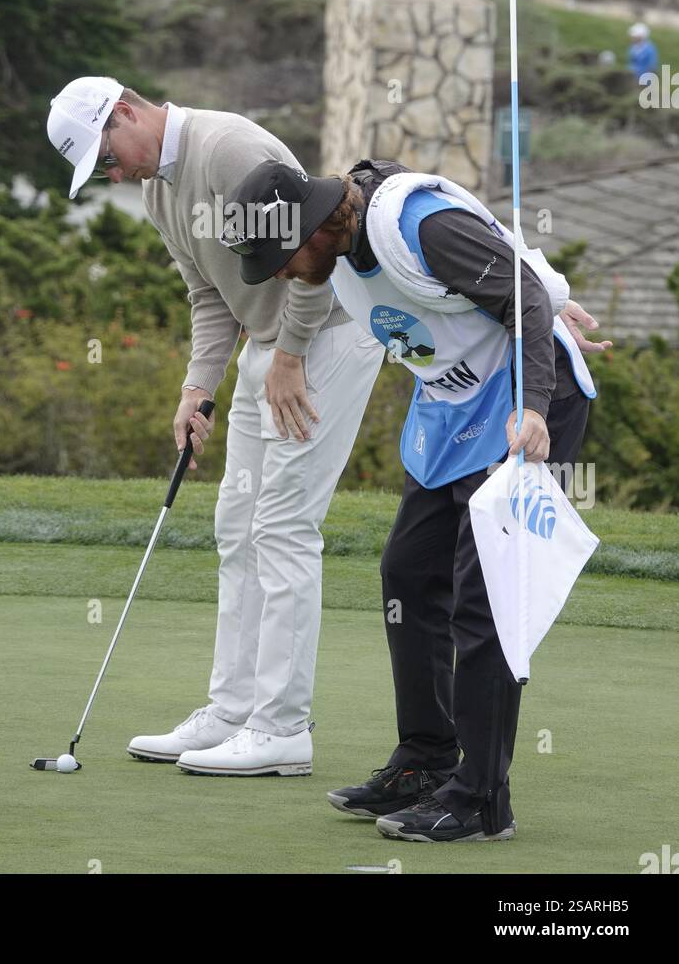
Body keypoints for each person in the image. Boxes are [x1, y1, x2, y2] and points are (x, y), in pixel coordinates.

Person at [222, 156, 611, 841]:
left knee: (484, 593)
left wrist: (537, 403)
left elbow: (519, 290)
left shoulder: (416, 227)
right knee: (408, 571)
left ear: (312, 227)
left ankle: (482, 799)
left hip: (527, 407)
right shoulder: (337, 247)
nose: (281, 273)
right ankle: (427, 761)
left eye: (281, 257)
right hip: (456, 411)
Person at [45, 78, 385, 776]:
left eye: (107, 155)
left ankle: (283, 727)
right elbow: (209, 294)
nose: (113, 173)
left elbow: (318, 248)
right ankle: (232, 711)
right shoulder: (155, 191)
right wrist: (197, 388)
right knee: (238, 524)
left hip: (325, 337)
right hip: (271, 348)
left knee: (285, 527)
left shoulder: (229, 149)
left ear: (127, 112)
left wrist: (289, 354)